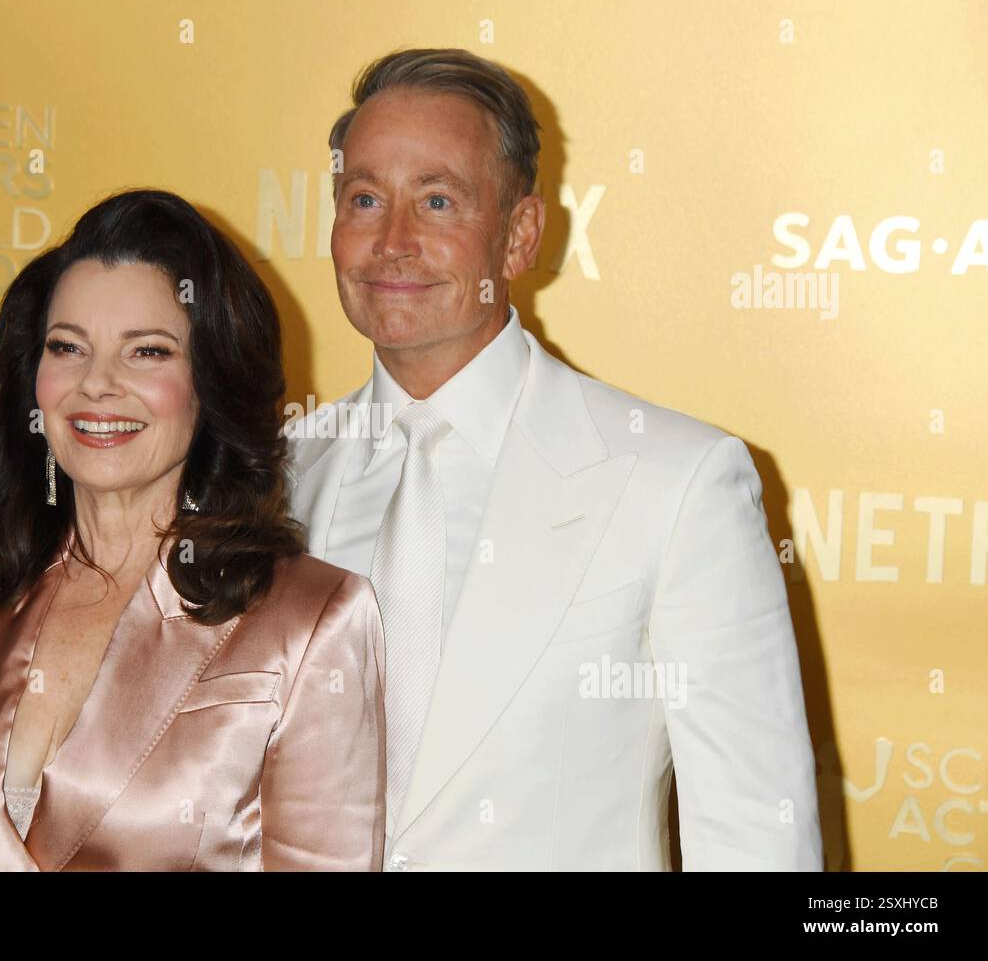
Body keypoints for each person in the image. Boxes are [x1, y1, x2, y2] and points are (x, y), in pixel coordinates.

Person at [287, 48, 822, 870]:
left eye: (437, 200)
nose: (392, 242)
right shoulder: (273, 476)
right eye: (364, 198)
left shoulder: (677, 483)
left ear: (519, 235)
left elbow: (757, 831)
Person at [0, 189, 386, 871]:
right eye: (68, 347)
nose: (97, 385)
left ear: (210, 380)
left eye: (147, 353)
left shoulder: (310, 621)